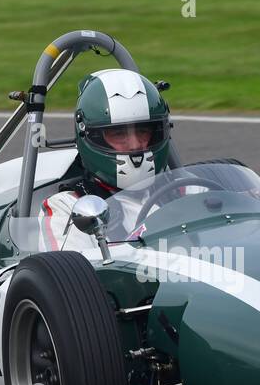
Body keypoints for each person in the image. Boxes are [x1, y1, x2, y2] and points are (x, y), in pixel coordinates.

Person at [39, 69, 171, 251]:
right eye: (118, 133)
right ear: (92, 137)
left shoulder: (188, 188)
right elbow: (72, 276)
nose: (134, 145)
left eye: (142, 131)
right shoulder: (71, 208)